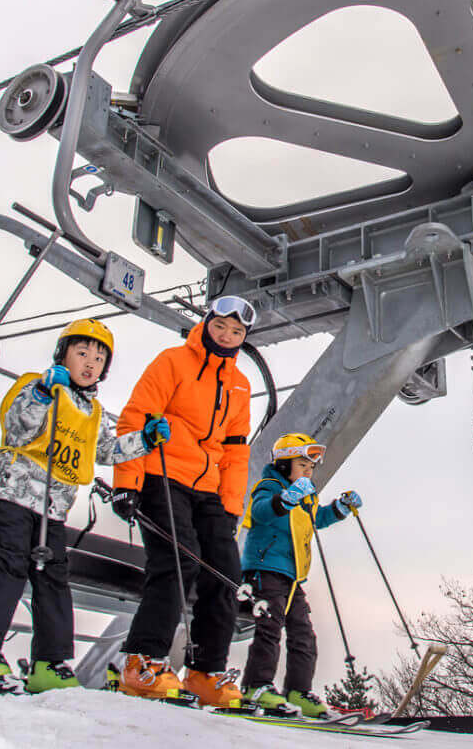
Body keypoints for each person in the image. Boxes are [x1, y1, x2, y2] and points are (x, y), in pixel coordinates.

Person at [0, 319, 168, 693]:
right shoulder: (39, 385)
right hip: (14, 496)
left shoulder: (93, 411)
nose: (89, 364)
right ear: (63, 355)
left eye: (98, 359)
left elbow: (106, 450)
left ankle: (49, 662)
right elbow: (17, 426)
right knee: (10, 563)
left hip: (52, 508)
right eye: (81, 353)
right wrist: (41, 392)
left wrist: (144, 441)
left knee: (53, 577)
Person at [110, 296, 257, 706]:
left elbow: (235, 451)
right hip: (161, 474)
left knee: (226, 571)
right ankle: (143, 659)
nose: (227, 336)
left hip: (208, 487)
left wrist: (230, 506)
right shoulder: (173, 361)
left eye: (237, 332)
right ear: (207, 323)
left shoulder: (240, 385)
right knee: (179, 558)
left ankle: (204, 671)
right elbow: (136, 417)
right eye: (221, 327)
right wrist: (127, 482)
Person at [238, 432, 363, 718]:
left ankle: (298, 690)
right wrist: (284, 500)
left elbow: (317, 518)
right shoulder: (269, 486)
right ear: (284, 465)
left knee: (303, 634)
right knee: (270, 628)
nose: (308, 472)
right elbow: (259, 512)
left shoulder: (306, 498)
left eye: (310, 468)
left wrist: (340, 509)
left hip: (293, 575)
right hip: (265, 568)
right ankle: (256, 686)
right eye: (302, 466)